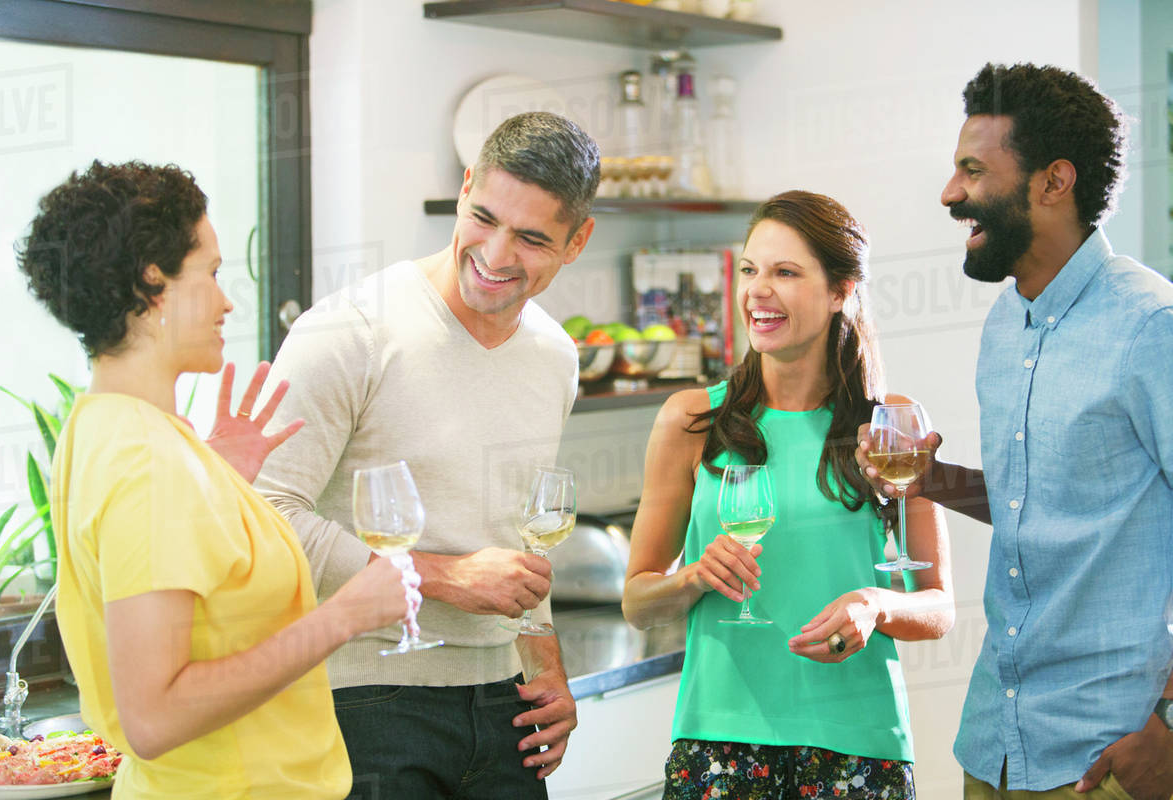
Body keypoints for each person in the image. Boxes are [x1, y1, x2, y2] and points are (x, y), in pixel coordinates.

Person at [16, 160, 409, 799]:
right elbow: (154, 716)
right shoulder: (150, 462)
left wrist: (215, 479)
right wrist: (347, 615)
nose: (227, 300)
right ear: (153, 284)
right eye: (213, 272)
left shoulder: (104, 426)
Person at [253, 111, 598, 799]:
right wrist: (440, 576)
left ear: (577, 241)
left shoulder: (556, 356)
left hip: (507, 703)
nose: (497, 255)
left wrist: (543, 656)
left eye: (532, 238)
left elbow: (521, 534)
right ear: (467, 185)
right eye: (483, 217)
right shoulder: (349, 332)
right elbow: (263, 513)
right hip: (364, 698)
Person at [857, 63, 1173, 799]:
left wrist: (1169, 723)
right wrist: (930, 481)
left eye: (973, 169)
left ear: (1053, 182)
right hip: (995, 745)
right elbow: (1034, 505)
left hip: (1108, 757)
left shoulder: (1152, 327)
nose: (950, 192)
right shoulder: (1006, 323)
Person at [622, 190, 955, 800]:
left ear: (840, 291)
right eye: (749, 270)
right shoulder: (690, 421)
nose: (757, 291)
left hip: (858, 741)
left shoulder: (891, 426)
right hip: (716, 740)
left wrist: (873, 606)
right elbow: (638, 603)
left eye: (785, 273)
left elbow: (937, 608)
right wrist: (694, 577)